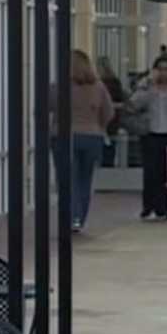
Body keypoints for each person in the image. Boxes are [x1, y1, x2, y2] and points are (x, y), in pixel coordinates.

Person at [51, 50, 116, 233]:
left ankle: (71, 216)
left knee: (67, 179)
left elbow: (45, 106)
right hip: (92, 136)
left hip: (63, 137)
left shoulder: (59, 87)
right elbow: (109, 112)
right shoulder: (99, 87)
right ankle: (79, 218)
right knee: (85, 179)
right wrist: (98, 126)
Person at [126, 54, 167, 221]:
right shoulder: (147, 87)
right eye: (159, 69)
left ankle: (162, 208)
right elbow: (134, 104)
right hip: (151, 133)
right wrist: (147, 84)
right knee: (150, 172)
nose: (163, 73)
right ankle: (148, 206)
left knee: (165, 174)